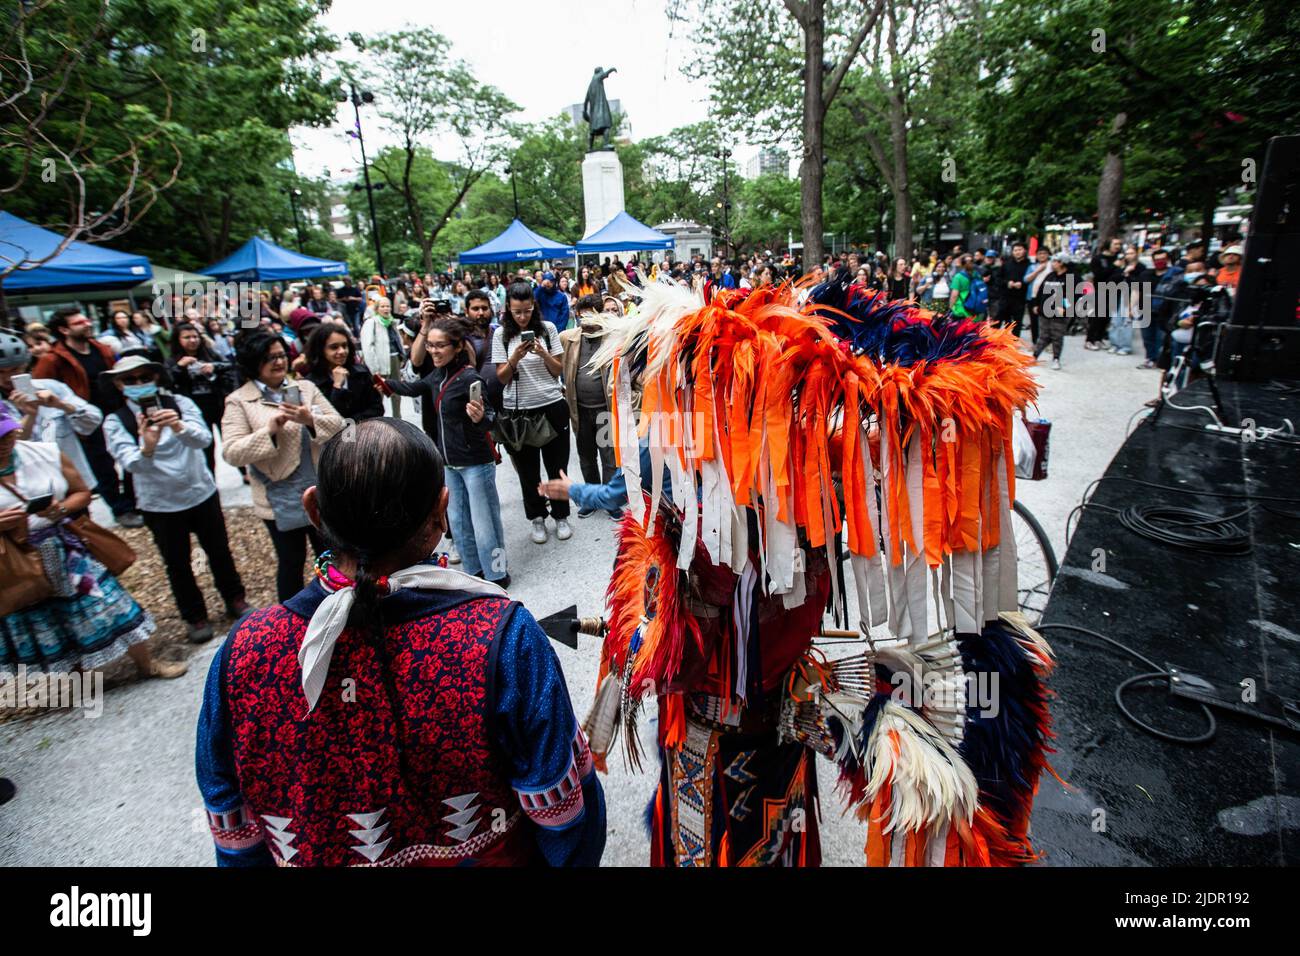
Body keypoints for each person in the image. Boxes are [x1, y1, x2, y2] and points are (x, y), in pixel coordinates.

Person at [195, 417, 605, 867]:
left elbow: (231, 825)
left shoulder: (247, 650)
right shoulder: (501, 637)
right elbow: (564, 817)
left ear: (314, 510)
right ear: (441, 510)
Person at [0, 406, 186, 680]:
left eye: (6, 436)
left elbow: (82, 494)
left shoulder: (43, 453)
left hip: (62, 546)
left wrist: (60, 509)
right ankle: (77, 680)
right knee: (46, 618)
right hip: (15, 558)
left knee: (109, 600)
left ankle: (147, 664)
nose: (3, 445)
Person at [102, 355, 250, 643]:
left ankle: (235, 599)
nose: (139, 385)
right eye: (130, 380)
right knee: (177, 562)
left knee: (219, 550)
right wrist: (147, 446)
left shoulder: (179, 404)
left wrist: (179, 427)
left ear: (155, 378)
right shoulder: (116, 421)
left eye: (144, 377)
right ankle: (194, 616)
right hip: (160, 504)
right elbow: (130, 465)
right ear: (119, 384)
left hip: (199, 492)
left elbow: (205, 440)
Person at [377, 317, 508, 587]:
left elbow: (492, 420)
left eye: (440, 346)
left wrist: (480, 416)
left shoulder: (470, 378)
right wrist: (384, 383)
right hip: (449, 464)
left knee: (486, 527)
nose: (434, 351)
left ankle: (497, 573)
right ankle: (473, 574)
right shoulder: (437, 375)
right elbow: (415, 387)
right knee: (458, 524)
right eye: (430, 345)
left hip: (475, 463)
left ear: (457, 346)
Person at [221, 331, 346, 602]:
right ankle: (292, 621)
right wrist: (269, 431)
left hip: (318, 487)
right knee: (291, 562)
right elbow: (231, 453)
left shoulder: (306, 388)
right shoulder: (239, 401)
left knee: (334, 556)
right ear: (253, 362)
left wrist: (309, 419)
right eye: (269, 358)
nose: (278, 362)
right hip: (278, 495)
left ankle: (340, 606)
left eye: (280, 355)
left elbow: (337, 424)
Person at [33, 308, 141, 527]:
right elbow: (40, 390)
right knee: (102, 466)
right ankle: (121, 509)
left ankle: (135, 502)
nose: (87, 323)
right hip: (83, 423)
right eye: (79, 322)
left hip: (115, 412)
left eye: (86, 319)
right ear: (64, 330)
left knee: (130, 456)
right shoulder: (53, 360)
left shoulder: (102, 350)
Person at [491, 281, 572, 545]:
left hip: (551, 406)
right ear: (509, 310)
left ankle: (561, 516)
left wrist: (543, 352)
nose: (523, 316)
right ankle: (537, 517)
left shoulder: (547, 330)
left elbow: (558, 371)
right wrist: (514, 357)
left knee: (557, 467)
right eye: (517, 312)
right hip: (519, 413)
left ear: (533, 307)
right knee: (528, 472)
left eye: (526, 310)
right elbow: (501, 378)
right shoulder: (501, 335)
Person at [0, 330, 101, 489]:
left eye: (14, 370)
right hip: (31, 487)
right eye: (0, 372)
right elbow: (12, 446)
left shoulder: (51, 387)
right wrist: (30, 415)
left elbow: (93, 420)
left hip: (72, 480)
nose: (6, 378)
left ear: (26, 366)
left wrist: (61, 405)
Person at [559, 294, 619, 519]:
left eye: (590, 315)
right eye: (581, 315)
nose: (585, 320)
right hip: (580, 410)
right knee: (586, 456)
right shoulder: (568, 338)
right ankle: (590, 498)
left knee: (608, 457)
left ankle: (610, 500)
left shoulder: (612, 338)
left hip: (604, 409)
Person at [166, 321, 236, 473]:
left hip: (217, 403)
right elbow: (168, 382)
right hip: (195, 410)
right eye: (187, 337)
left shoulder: (210, 354)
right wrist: (179, 367)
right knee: (206, 447)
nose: (192, 340)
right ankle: (211, 476)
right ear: (178, 340)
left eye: (195, 336)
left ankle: (243, 472)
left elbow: (229, 366)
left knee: (231, 440)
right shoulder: (173, 361)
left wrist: (214, 367)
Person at [302, 324, 383, 425]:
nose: (342, 351)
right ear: (320, 350)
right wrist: (337, 388)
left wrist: (349, 423)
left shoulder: (361, 373)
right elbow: (327, 419)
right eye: (334, 347)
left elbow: (377, 409)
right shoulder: (311, 383)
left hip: (364, 434)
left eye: (344, 346)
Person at [360, 296, 405, 418]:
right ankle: (378, 420)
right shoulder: (371, 323)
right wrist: (374, 369)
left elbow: (398, 342)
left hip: (394, 359)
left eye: (388, 306)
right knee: (378, 393)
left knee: (396, 392)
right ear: (377, 308)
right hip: (379, 363)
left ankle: (397, 419)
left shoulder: (392, 322)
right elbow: (367, 347)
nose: (386, 309)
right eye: (383, 306)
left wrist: (402, 357)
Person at [1033, 254, 1073, 370]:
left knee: (1057, 336)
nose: (1053, 263)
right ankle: (1035, 356)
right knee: (1043, 335)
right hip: (1044, 311)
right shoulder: (1050, 275)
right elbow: (1041, 291)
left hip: (1060, 314)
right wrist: (1036, 304)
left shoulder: (1071, 278)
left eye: (1055, 261)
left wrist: (1066, 309)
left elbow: (1075, 296)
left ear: (1062, 263)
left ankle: (1056, 359)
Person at [1087, 237, 1123, 350]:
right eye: (1115, 243)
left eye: (1119, 244)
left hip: (1115, 290)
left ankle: (1099, 338)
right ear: (1108, 244)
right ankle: (1090, 339)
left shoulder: (1118, 258)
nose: (1117, 246)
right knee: (1097, 316)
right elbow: (1099, 275)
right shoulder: (1098, 259)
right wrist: (1114, 266)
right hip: (1102, 290)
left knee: (1106, 317)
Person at [998, 241, 1031, 336]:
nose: (1017, 252)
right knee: (1001, 318)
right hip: (1006, 296)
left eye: (1020, 249)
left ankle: (1014, 342)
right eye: (1015, 250)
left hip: (1020, 297)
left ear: (1024, 251)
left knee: (1017, 321)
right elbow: (998, 278)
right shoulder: (1006, 264)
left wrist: (1022, 284)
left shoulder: (1029, 265)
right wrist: (1008, 283)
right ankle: (998, 340)